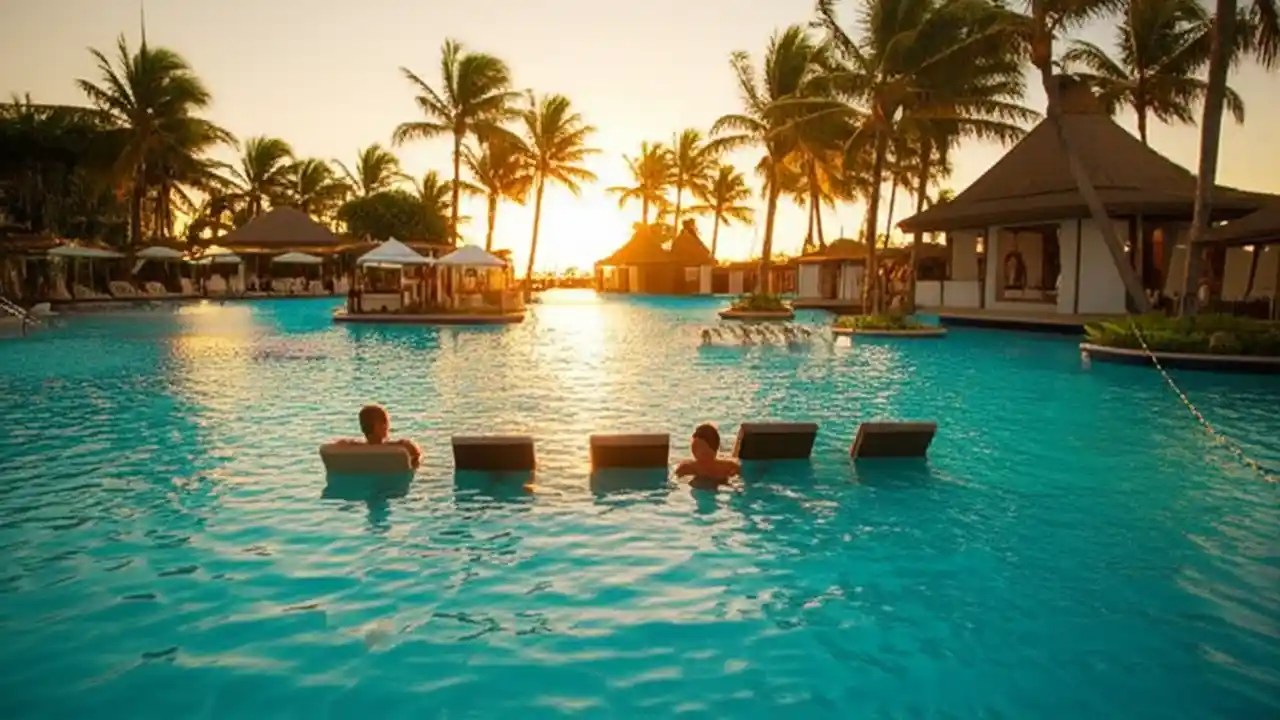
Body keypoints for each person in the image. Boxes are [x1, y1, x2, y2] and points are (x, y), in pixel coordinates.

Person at [337, 404, 422, 469]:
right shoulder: (400, 449)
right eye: (385, 422)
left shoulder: (353, 450)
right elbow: (415, 454)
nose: (387, 426)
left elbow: (339, 445)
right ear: (379, 426)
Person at [674, 423, 740, 489]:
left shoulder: (728, 466)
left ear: (713, 449)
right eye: (694, 447)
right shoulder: (687, 467)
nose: (694, 450)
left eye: (698, 447)